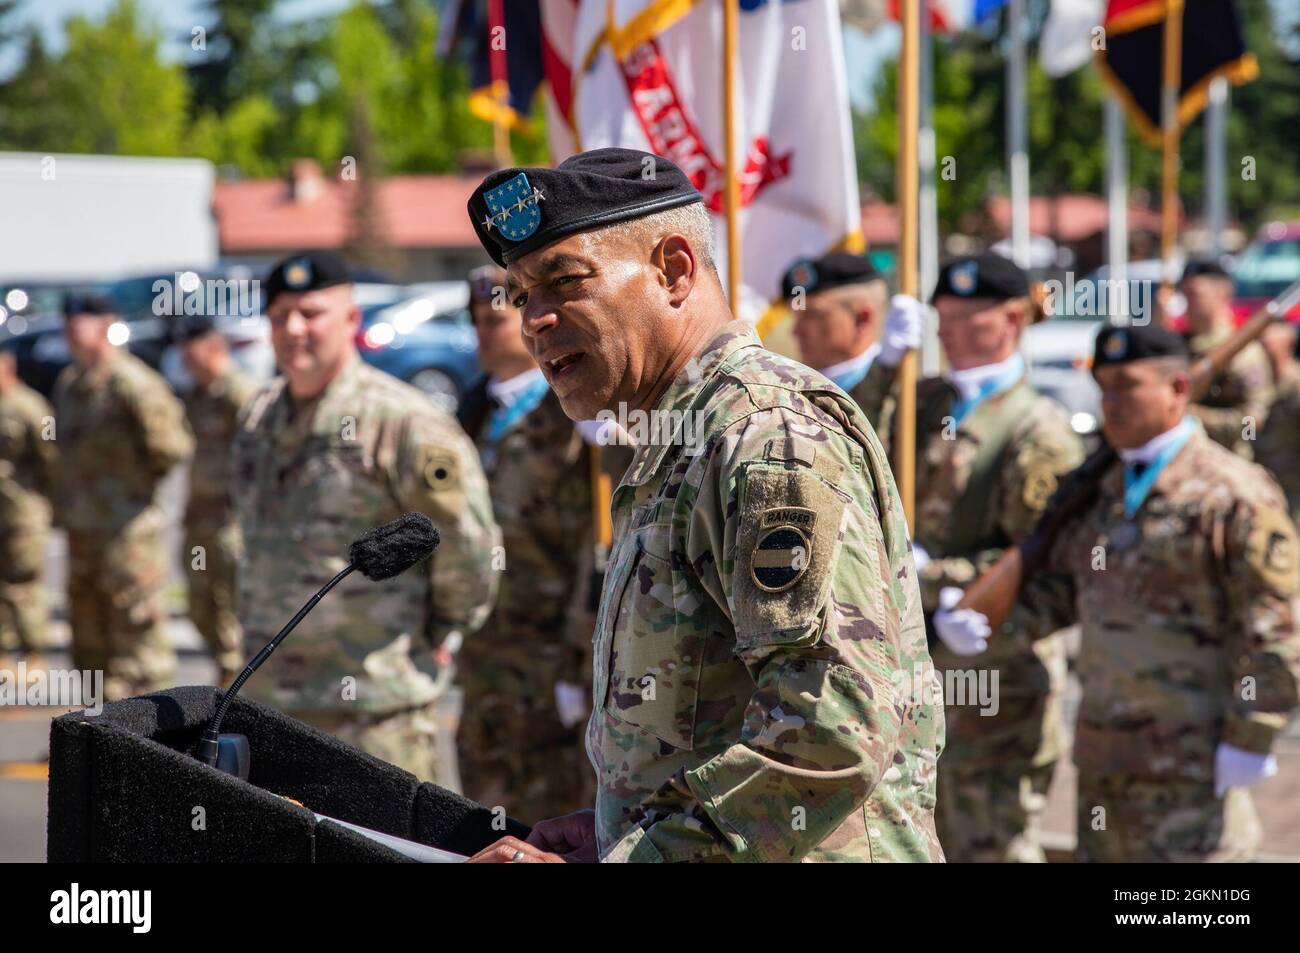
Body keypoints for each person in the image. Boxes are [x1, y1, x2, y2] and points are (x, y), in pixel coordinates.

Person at [462, 147, 944, 863]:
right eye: (521, 294)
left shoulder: (764, 433)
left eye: (564, 281)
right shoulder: (678, 438)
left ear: (676, 269)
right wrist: (611, 833)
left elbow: (831, 728)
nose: (534, 319)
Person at [935, 322, 1300, 862]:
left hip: (1194, 765)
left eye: (1127, 386)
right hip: (1106, 768)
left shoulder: (1233, 494)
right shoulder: (1100, 492)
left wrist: (1253, 733)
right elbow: (1062, 593)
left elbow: (1277, 626)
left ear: (1178, 388)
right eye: (1103, 387)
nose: (1111, 403)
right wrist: (984, 627)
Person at [231, 251, 499, 785]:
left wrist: (442, 632)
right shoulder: (258, 418)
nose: (293, 329)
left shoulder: (404, 422)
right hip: (272, 707)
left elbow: (467, 548)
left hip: (374, 708)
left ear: (352, 320)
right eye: (280, 315)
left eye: (312, 313)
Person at [852, 252, 1083, 862]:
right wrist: (884, 364)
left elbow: (1047, 566)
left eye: (965, 316)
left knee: (992, 845)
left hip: (996, 679)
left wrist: (932, 575)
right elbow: (851, 441)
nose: (948, 330)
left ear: (1012, 317)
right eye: (942, 316)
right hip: (913, 668)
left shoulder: (1036, 427)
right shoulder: (924, 400)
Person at [454, 263, 597, 822]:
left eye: (494, 320)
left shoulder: (570, 410)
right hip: (485, 647)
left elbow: (597, 542)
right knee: (481, 807)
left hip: (552, 647)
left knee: (555, 813)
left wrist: (575, 658)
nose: (482, 335)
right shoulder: (470, 411)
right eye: (475, 322)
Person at [53, 293, 191, 700]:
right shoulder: (71, 384)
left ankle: (148, 740)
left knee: (137, 638)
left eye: (85, 320)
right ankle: (98, 733)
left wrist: (130, 488)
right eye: (70, 321)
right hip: (83, 530)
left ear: (107, 324)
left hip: (128, 532)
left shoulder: (134, 383)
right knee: (88, 635)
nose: (74, 329)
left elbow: (171, 448)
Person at [177, 315, 257, 687]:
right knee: (199, 602)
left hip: (231, 516)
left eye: (191, 354)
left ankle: (235, 679)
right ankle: (225, 666)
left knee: (229, 599)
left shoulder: (239, 395)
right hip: (200, 513)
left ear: (215, 349)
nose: (185, 362)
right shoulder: (196, 395)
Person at [1179, 258, 1273, 458]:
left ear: (1223, 291)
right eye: (1185, 294)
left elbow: (1252, 428)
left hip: (1230, 461)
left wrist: (1195, 417)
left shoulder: (1245, 354)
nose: (1188, 303)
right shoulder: (1179, 348)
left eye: (1195, 294)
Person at [0, 341, 58, 657]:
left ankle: (33, 651)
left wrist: (43, 500)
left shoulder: (29, 407)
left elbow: (50, 458)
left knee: (24, 584)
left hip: (23, 512)